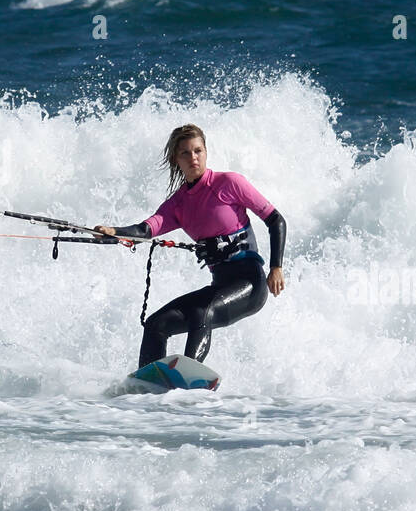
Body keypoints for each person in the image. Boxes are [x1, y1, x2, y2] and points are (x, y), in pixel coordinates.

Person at [96, 124, 286, 368]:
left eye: (198, 151)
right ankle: (146, 387)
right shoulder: (178, 204)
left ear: (206, 152)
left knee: (201, 311)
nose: (193, 157)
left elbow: (275, 220)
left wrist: (276, 267)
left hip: (250, 284)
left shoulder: (229, 183)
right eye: (185, 153)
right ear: (176, 159)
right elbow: (145, 230)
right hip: (219, 286)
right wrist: (114, 233)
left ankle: (188, 379)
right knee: (157, 324)